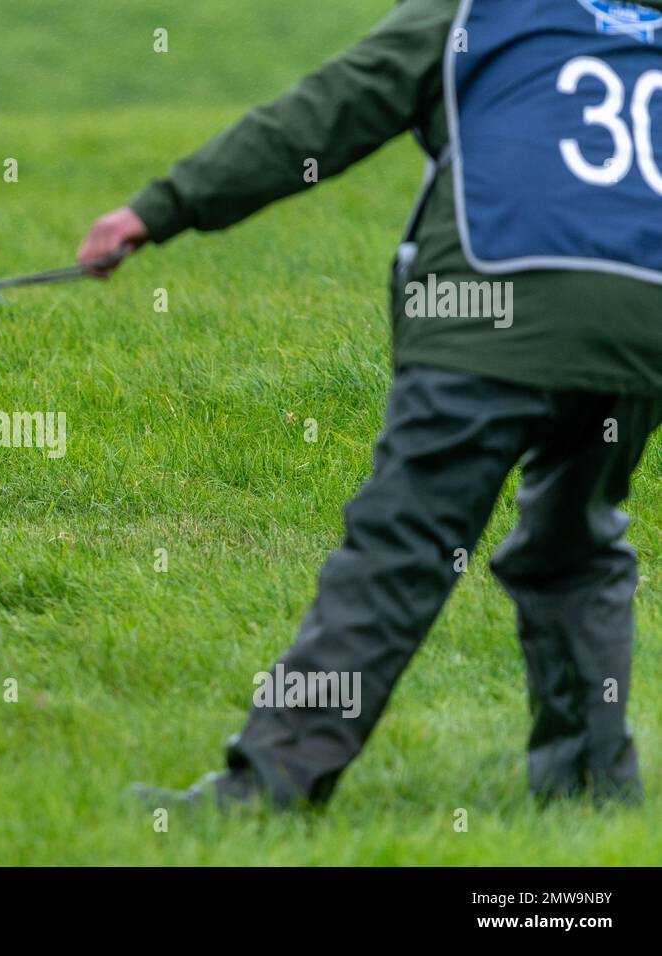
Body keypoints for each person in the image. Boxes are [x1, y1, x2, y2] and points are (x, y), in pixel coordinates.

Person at [78, 0, 662, 809]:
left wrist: (162, 206)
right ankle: (591, 792)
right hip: (641, 327)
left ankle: (269, 789)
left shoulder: (476, 12)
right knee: (579, 545)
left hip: (489, 313)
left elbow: (325, 112)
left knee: (402, 550)